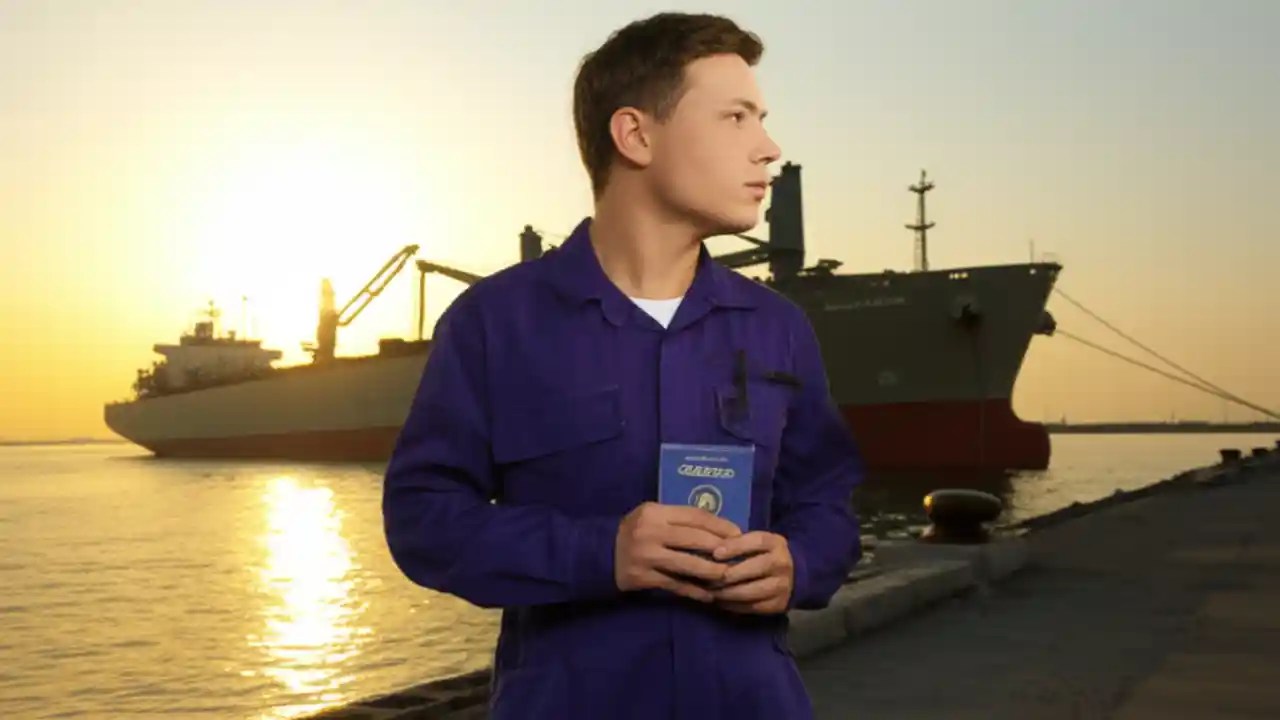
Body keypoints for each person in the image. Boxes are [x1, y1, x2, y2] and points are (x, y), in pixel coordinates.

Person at [382, 11, 863, 720]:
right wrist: (601, 552)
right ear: (636, 135)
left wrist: (801, 563)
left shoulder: (778, 328)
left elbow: (827, 502)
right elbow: (423, 519)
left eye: (761, 120)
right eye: (736, 118)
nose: (768, 147)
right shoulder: (494, 323)